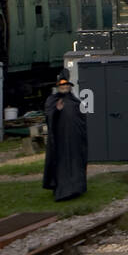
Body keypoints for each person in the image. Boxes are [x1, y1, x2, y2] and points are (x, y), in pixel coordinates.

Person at [42, 71, 87, 202]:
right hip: (60, 140)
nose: (65, 87)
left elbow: (81, 119)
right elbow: (49, 115)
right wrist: (57, 110)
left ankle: (76, 188)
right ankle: (63, 190)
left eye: (67, 85)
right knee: (62, 165)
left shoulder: (75, 101)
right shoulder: (52, 100)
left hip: (74, 140)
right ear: (58, 87)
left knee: (75, 163)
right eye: (62, 86)